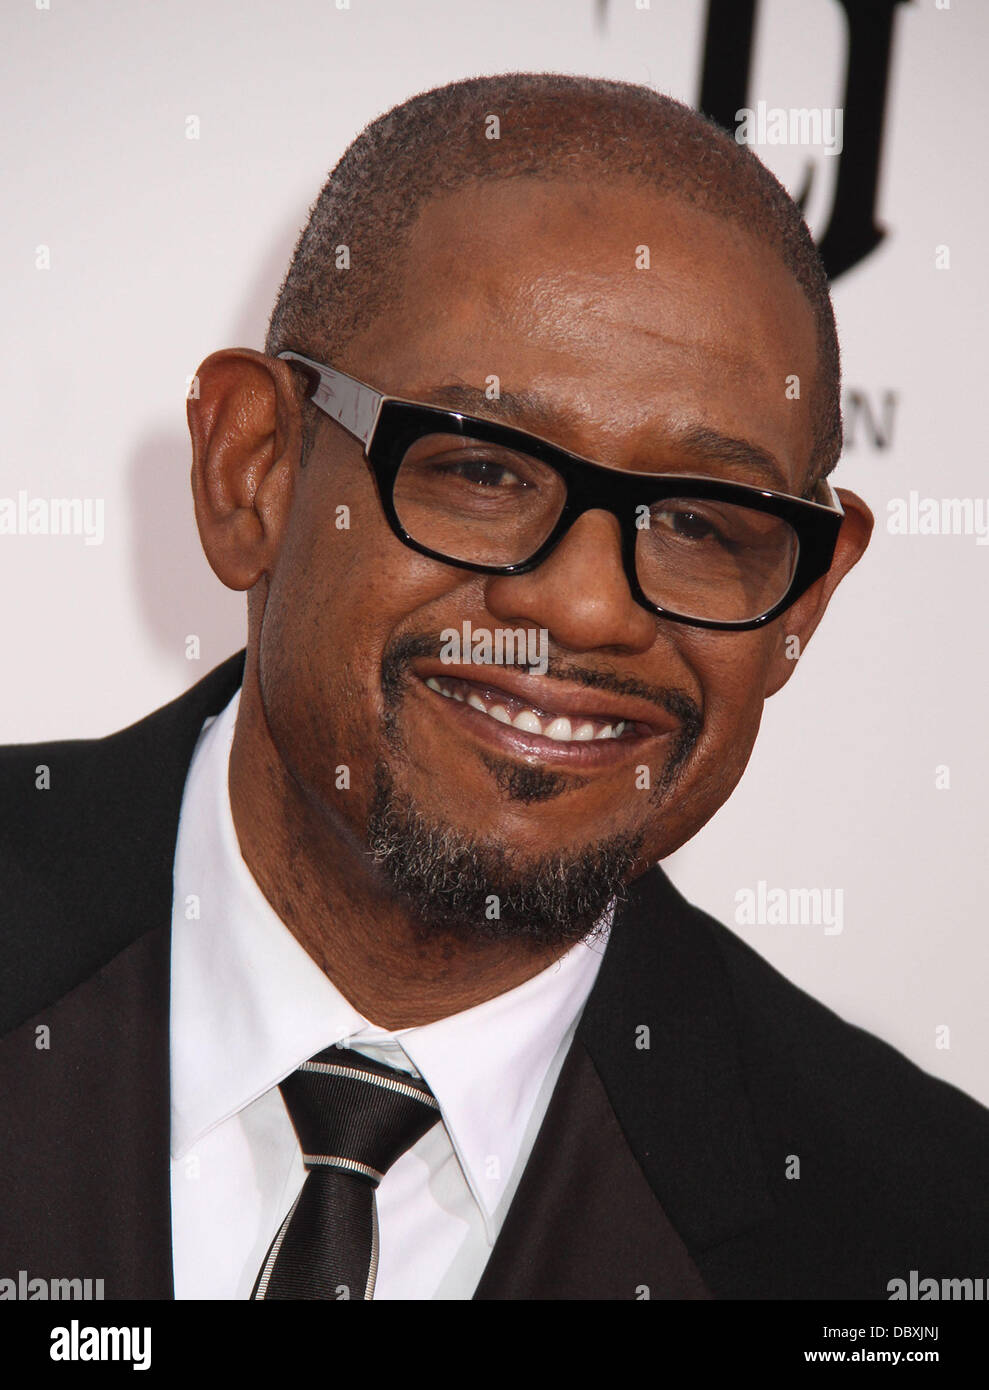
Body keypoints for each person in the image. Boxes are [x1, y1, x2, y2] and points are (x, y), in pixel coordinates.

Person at [1, 73, 986, 1303]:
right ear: (251, 470)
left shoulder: (917, 1238)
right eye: (479, 469)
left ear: (803, 601)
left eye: (695, 519)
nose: (584, 609)